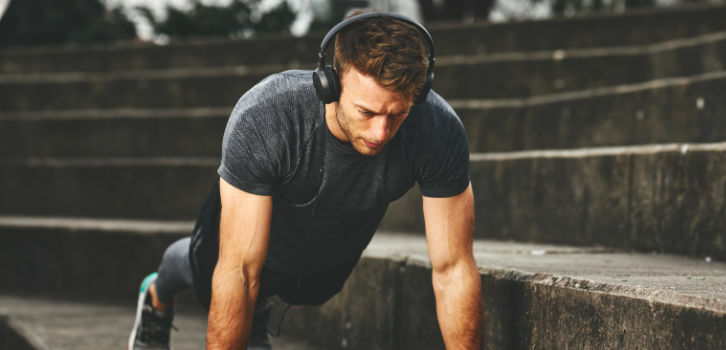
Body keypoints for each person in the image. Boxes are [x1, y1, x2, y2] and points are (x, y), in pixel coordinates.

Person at [127, 11, 482, 350]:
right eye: (367, 112)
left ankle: (257, 312)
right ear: (330, 83)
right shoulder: (267, 117)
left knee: (314, 288)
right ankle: (157, 294)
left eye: (397, 114)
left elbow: (453, 270)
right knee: (209, 272)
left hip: (325, 247)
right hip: (253, 222)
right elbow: (239, 270)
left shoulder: (436, 129)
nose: (380, 132)